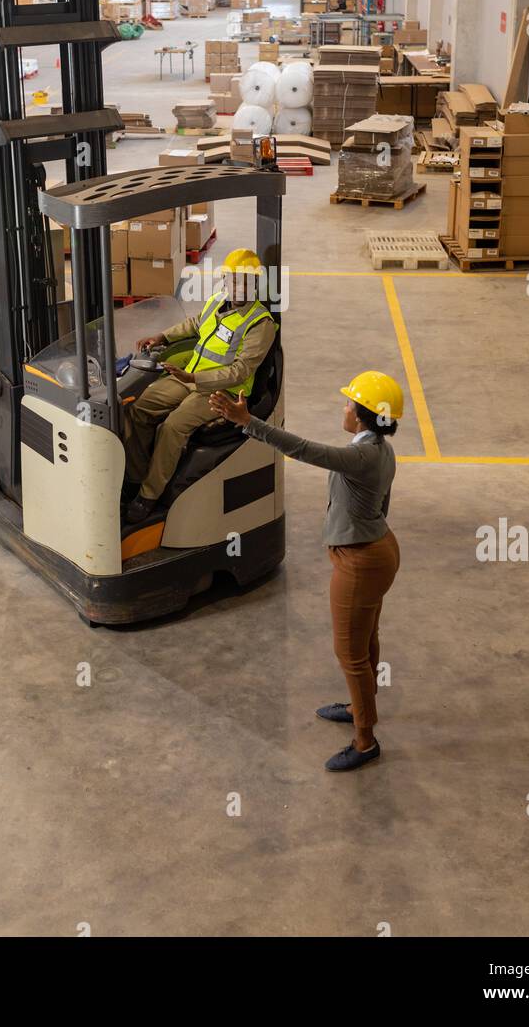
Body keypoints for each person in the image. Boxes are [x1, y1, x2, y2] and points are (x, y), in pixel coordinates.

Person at [209, 371, 403, 773]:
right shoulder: (382, 450)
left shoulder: (359, 456)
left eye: (350, 403)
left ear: (364, 416)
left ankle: (365, 740)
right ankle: (359, 707)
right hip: (379, 548)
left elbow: (304, 450)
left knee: (349, 652)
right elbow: (383, 504)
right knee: (366, 639)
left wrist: (249, 423)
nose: (344, 407)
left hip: (361, 559)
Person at [122, 249, 277, 524]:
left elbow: (241, 371)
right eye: (234, 280)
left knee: (173, 426)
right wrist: (162, 336)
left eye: (246, 281)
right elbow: (195, 324)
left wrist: (194, 379)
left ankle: (148, 495)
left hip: (223, 391)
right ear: (225, 281)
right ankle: (137, 477)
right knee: (138, 409)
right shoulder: (218, 301)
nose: (239, 287)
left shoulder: (260, 323)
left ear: (255, 285)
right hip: (190, 376)